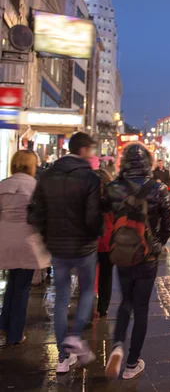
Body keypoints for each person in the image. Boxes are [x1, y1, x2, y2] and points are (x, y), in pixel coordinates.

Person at [28, 132, 103, 373]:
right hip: (83, 247)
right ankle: (74, 337)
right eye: (90, 151)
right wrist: (96, 234)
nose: (92, 155)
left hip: (57, 247)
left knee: (60, 298)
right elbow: (93, 216)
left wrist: (47, 235)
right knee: (86, 293)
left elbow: (35, 212)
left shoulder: (48, 175)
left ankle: (63, 358)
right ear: (83, 151)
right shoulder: (89, 177)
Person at [104, 143, 170, 380]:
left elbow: (103, 213)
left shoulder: (113, 187)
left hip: (122, 252)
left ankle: (117, 346)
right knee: (142, 307)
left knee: (125, 301)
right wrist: (157, 243)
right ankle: (132, 364)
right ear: (149, 162)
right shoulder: (158, 188)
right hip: (147, 256)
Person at [0, 151, 51, 345]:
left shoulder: (3, 184)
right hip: (27, 241)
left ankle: (4, 324)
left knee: (12, 283)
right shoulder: (36, 187)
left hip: (6, 240)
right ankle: (15, 334)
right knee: (22, 287)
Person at [95, 169, 114, 318]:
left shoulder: (89, 196)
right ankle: (103, 307)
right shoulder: (112, 197)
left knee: (88, 277)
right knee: (106, 276)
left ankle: (88, 308)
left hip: (91, 241)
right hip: (108, 242)